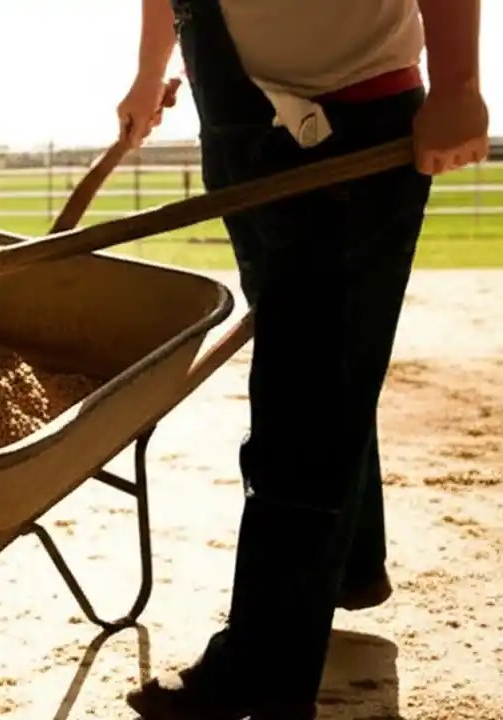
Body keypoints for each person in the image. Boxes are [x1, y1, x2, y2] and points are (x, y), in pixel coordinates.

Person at [113, 0, 490, 718]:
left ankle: (261, 675)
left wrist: (459, 83)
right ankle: (348, 564)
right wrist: (147, 73)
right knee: (325, 357)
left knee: (301, 403)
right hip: (237, 128)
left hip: (347, 124)